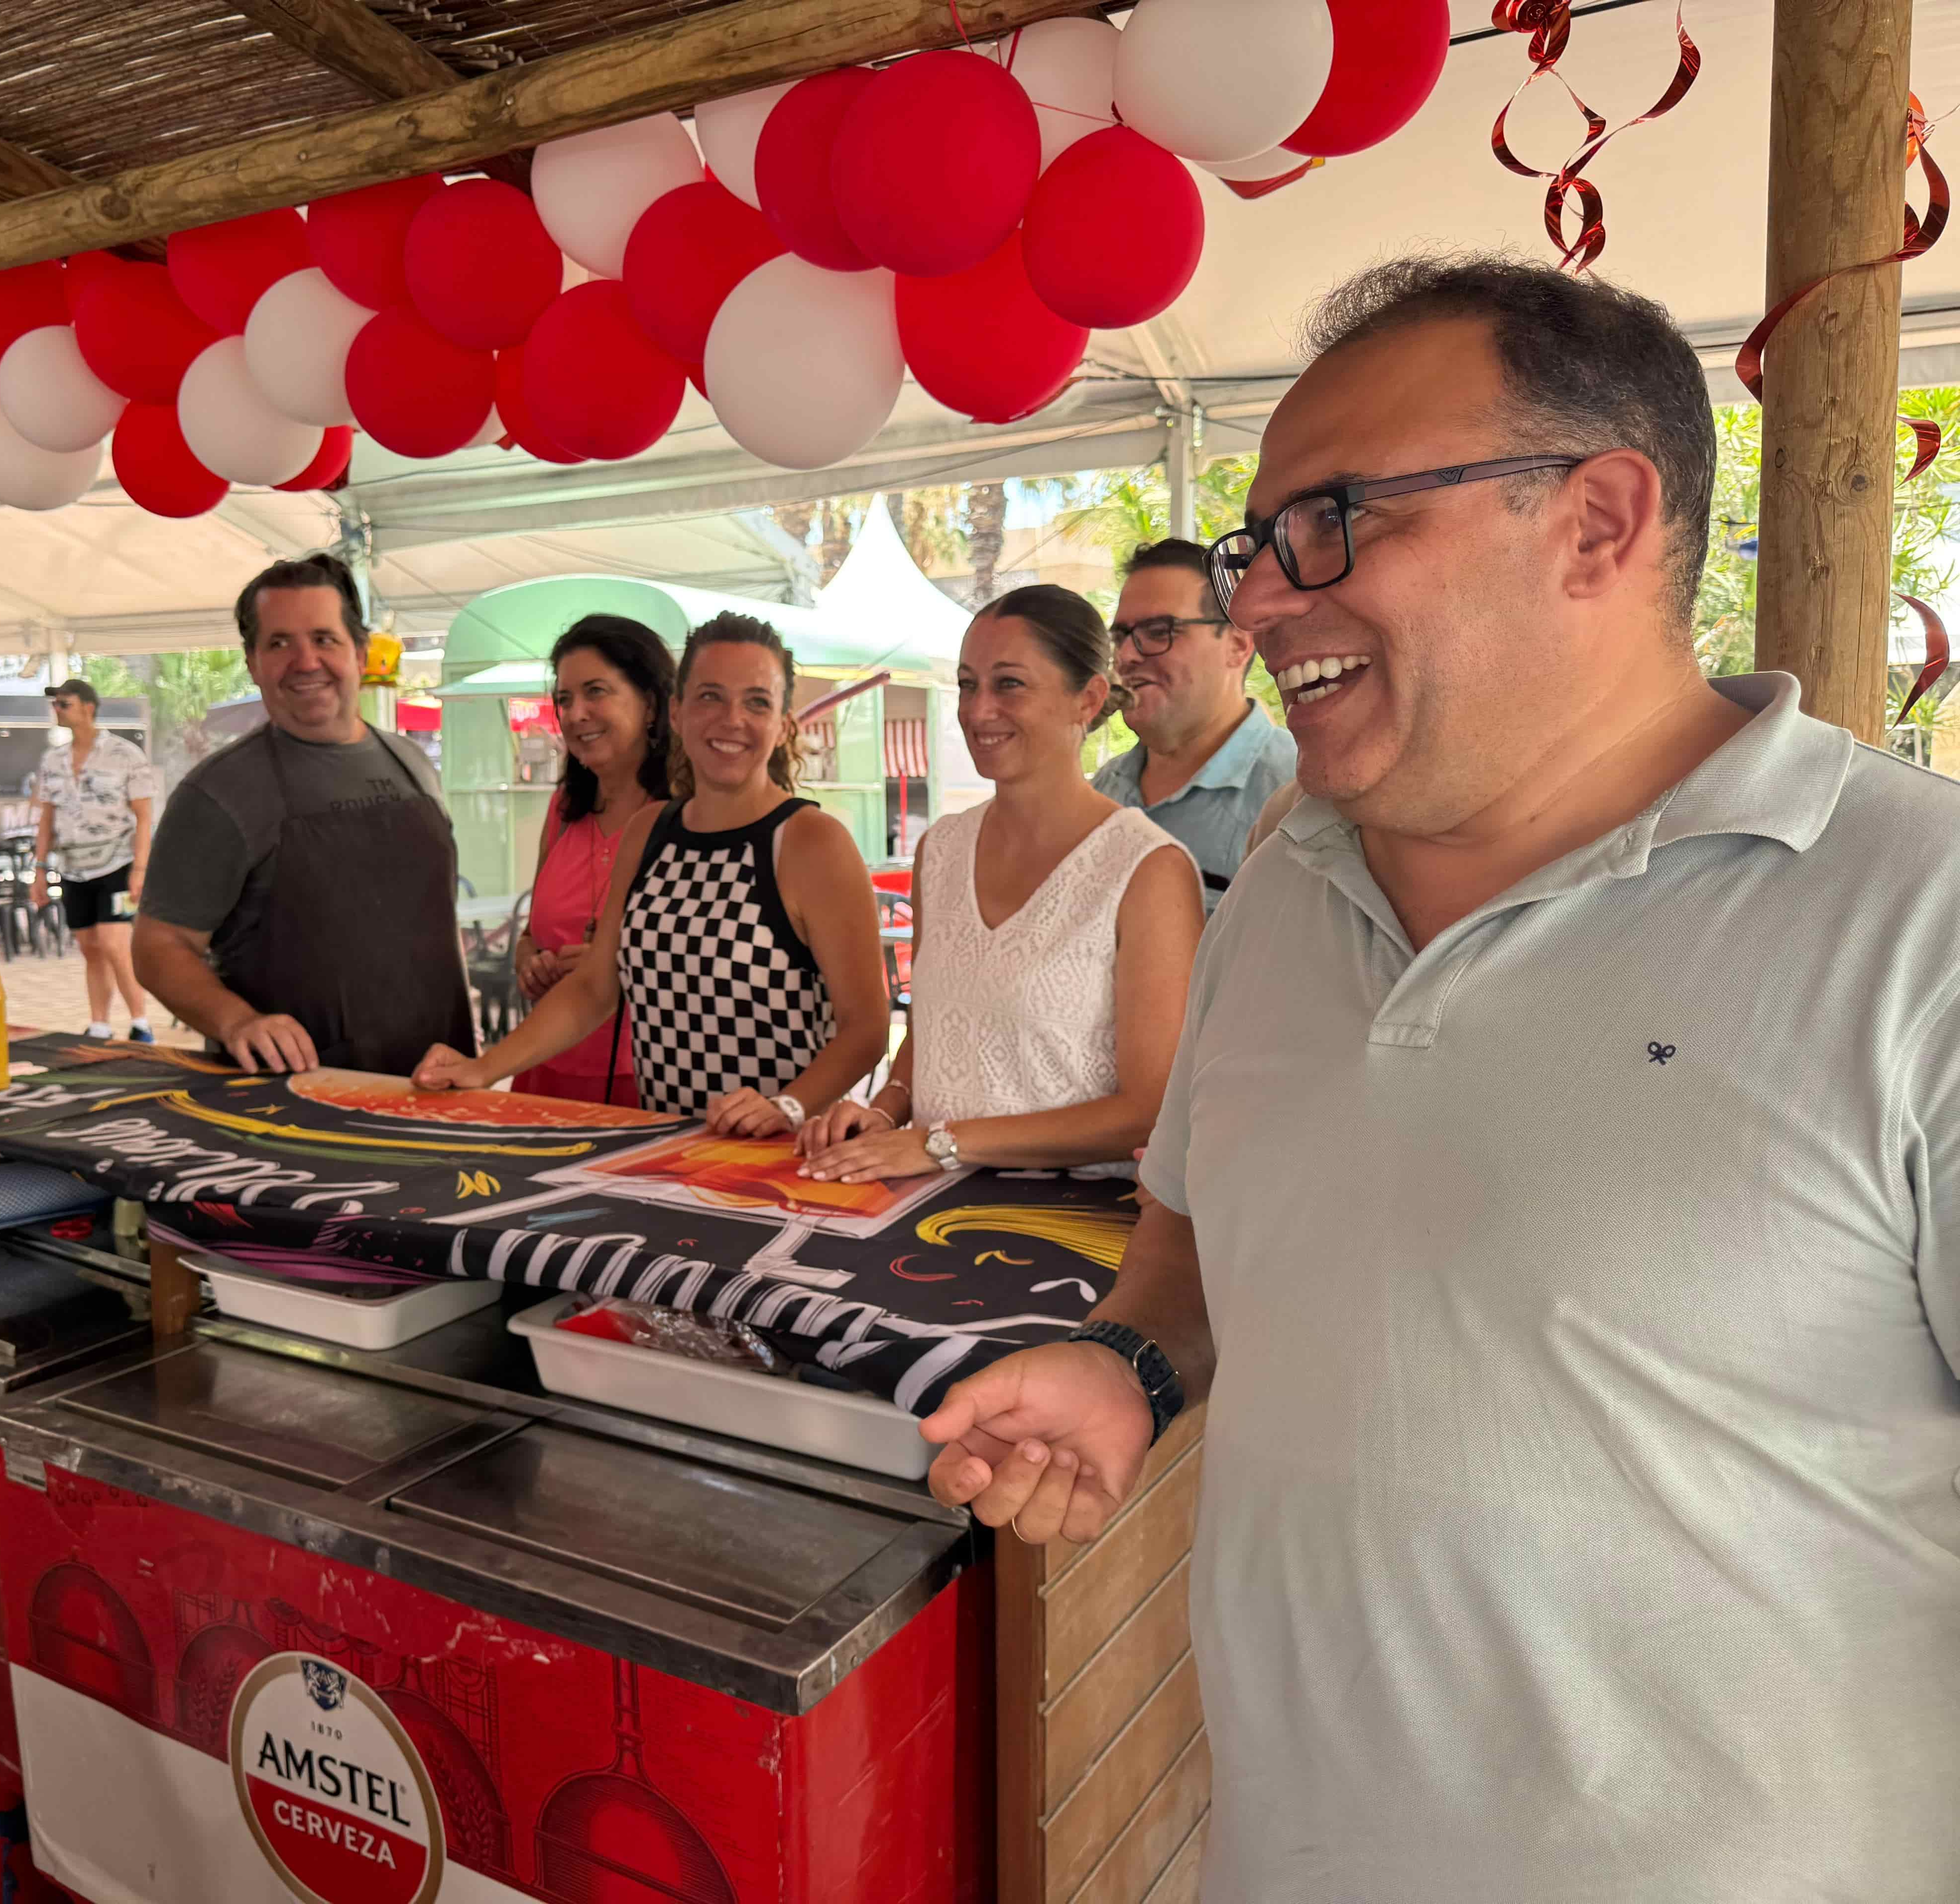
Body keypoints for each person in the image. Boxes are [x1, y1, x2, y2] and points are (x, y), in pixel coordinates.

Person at [919, 255, 1960, 1900]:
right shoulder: (1281, 897)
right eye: (1262, 544)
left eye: (1334, 521)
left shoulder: (1924, 929)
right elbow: (1190, 1254)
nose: (1258, 602)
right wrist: (1126, 1366)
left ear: (1599, 524)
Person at [415, 613, 886, 1134]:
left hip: (780, 1160)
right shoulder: (649, 831)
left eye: (756, 702)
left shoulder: (811, 842)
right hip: (661, 1146)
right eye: (710, 696)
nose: (731, 719)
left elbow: (865, 1028)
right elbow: (595, 988)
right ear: (678, 713)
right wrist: (483, 1068)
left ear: (783, 727)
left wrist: (787, 1107)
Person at [796, 587, 1202, 1182]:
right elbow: (936, 1028)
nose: (976, 710)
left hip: (1067, 1223)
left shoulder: (1145, 869)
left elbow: (1150, 1110)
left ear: (1086, 699)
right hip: (923, 1203)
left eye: (1008, 684)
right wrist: (883, 1112)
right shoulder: (941, 850)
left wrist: (942, 1143)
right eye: (966, 684)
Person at [135, 554, 473, 1076]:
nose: (305, 661)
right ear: (252, 663)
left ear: (359, 653)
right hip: (295, 1097)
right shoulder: (217, 794)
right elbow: (159, 946)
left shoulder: (411, 764)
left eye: (323, 638)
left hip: (436, 1077)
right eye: (279, 643)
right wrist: (236, 1021)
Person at [510, 615, 675, 1106]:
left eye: (595, 692)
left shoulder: (690, 815)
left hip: (652, 1083)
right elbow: (528, 938)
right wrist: (530, 966)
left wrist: (619, 966)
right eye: (564, 699)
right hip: (544, 1072)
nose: (576, 713)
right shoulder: (563, 810)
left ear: (649, 704)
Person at [1090, 538, 1299, 909]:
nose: (1125, 656)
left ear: (1237, 645)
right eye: (1120, 637)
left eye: (1159, 632)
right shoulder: (1105, 788)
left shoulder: (1296, 799)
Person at [29, 678, 158, 1042]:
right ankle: (100, 1023)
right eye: (54, 705)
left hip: (117, 863)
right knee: (90, 948)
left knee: (116, 944)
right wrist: (39, 870)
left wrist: (141, 868)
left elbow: (145, 817)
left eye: (63, 704)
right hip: (72, 867)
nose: (57, 710)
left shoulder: (125, 754)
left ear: (89, 707)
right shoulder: (52, 761)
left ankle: (141, 1023)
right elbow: (47, 819)